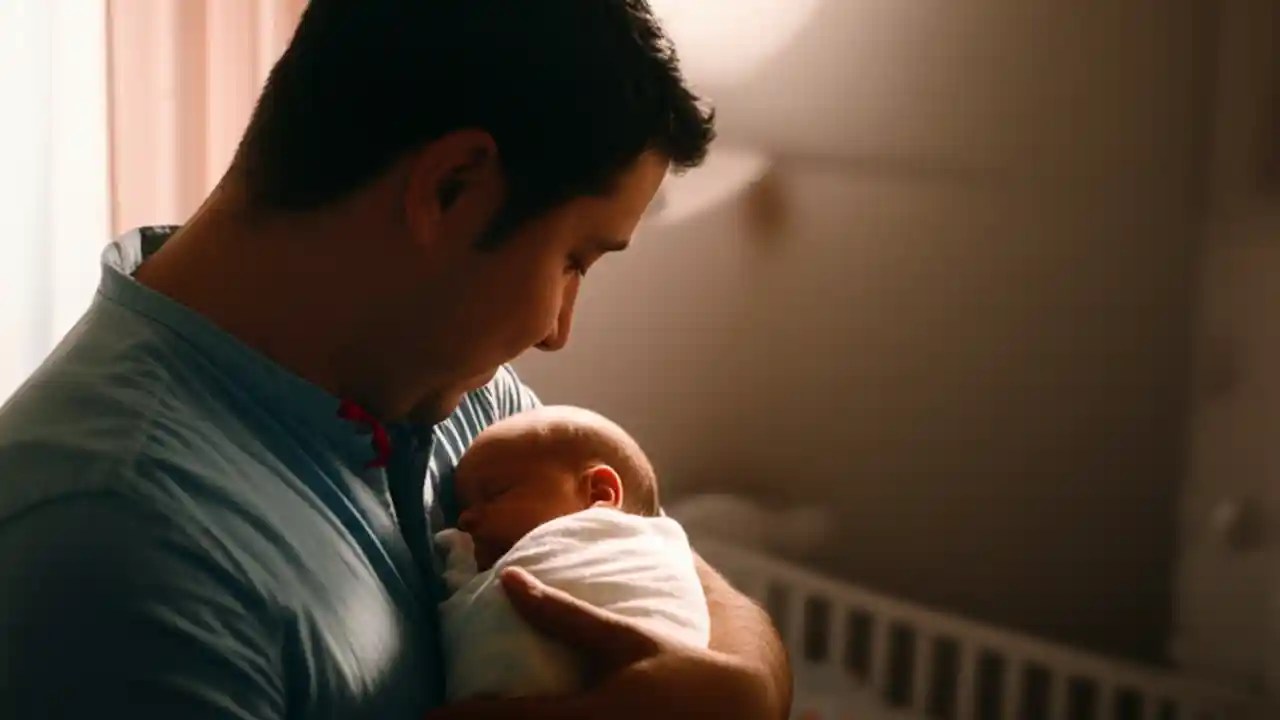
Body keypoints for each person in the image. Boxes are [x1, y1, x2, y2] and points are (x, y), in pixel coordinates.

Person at [0, 1, 790, 719]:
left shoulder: (452, 392)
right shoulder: (109, 553)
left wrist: (745, 686)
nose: (557, 331)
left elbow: (654, 549)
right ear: (451, 187)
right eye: (574, 260)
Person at [436, 405, 708, 702]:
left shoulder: (634, 544)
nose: (464, 520)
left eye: (496, 493)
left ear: (600, 494)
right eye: (465, 507)